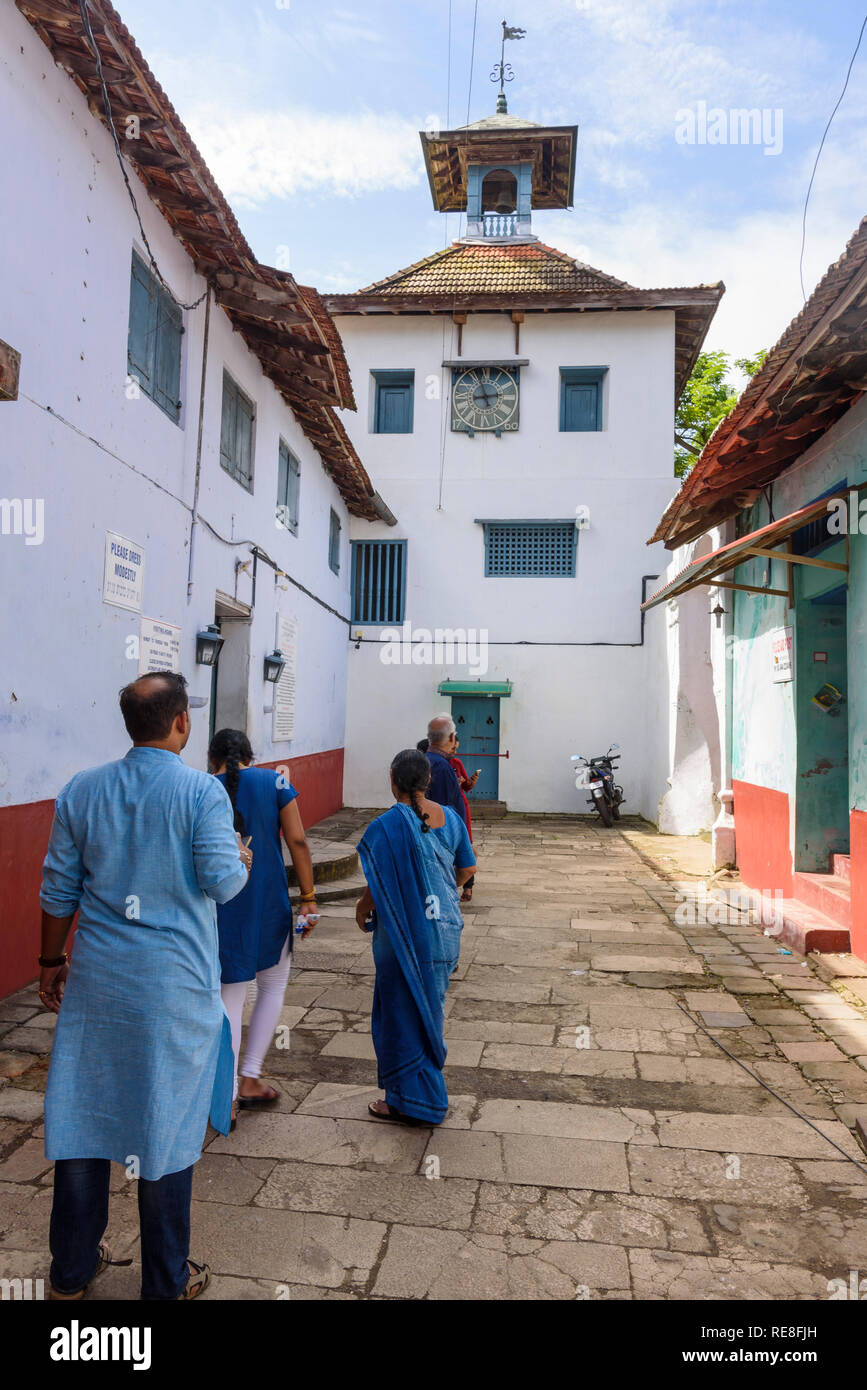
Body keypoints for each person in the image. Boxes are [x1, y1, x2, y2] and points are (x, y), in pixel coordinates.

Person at [38, 671, 250, 1301]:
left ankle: (71, 1275)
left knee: (83, 1119)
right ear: (181, 722)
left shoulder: (82, 789)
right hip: (172, 990)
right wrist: (241, 856)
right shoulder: (201, 793)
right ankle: (166, 1280)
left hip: (98, 985)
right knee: (167, 1124)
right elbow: (224, 884)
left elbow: (58, 888)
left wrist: (51, 962)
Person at [355, 748, 476, 1126]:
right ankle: (419, 1094)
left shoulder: (385, 826)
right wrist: (442, 891)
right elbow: (467, 868)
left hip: (402, 936)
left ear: (393, 779)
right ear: (428, 781)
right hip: (444, 934)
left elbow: (380, 882)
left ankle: (409, 1102)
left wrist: (363, 907)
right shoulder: (452, 818)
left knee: (399, 1014)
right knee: (429, 1009)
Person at [208, 729, 319, 1124]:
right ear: (251, 757)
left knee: (229, 998)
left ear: (211, 758)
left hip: (222, 906)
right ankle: (250, 1077)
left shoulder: (204, 786)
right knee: (272, 987)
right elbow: (299, 841)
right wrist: (308, 896)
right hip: (269, 902)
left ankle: (226, 1095)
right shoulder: (276, 782)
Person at [448, 736, 479, 902]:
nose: (454, 752)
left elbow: (466, 786)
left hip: (460, 808)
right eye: (452, 748)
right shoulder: (438, 765)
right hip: (444, 810)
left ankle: (468, 887)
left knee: (466, 845)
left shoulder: (456, 763)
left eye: (456, 748)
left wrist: (471, 781)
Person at [424, 714, 466, 826]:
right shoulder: (442, 766)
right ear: (452, 737)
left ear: (428, 736)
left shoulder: (423, 759)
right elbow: (444, 809)